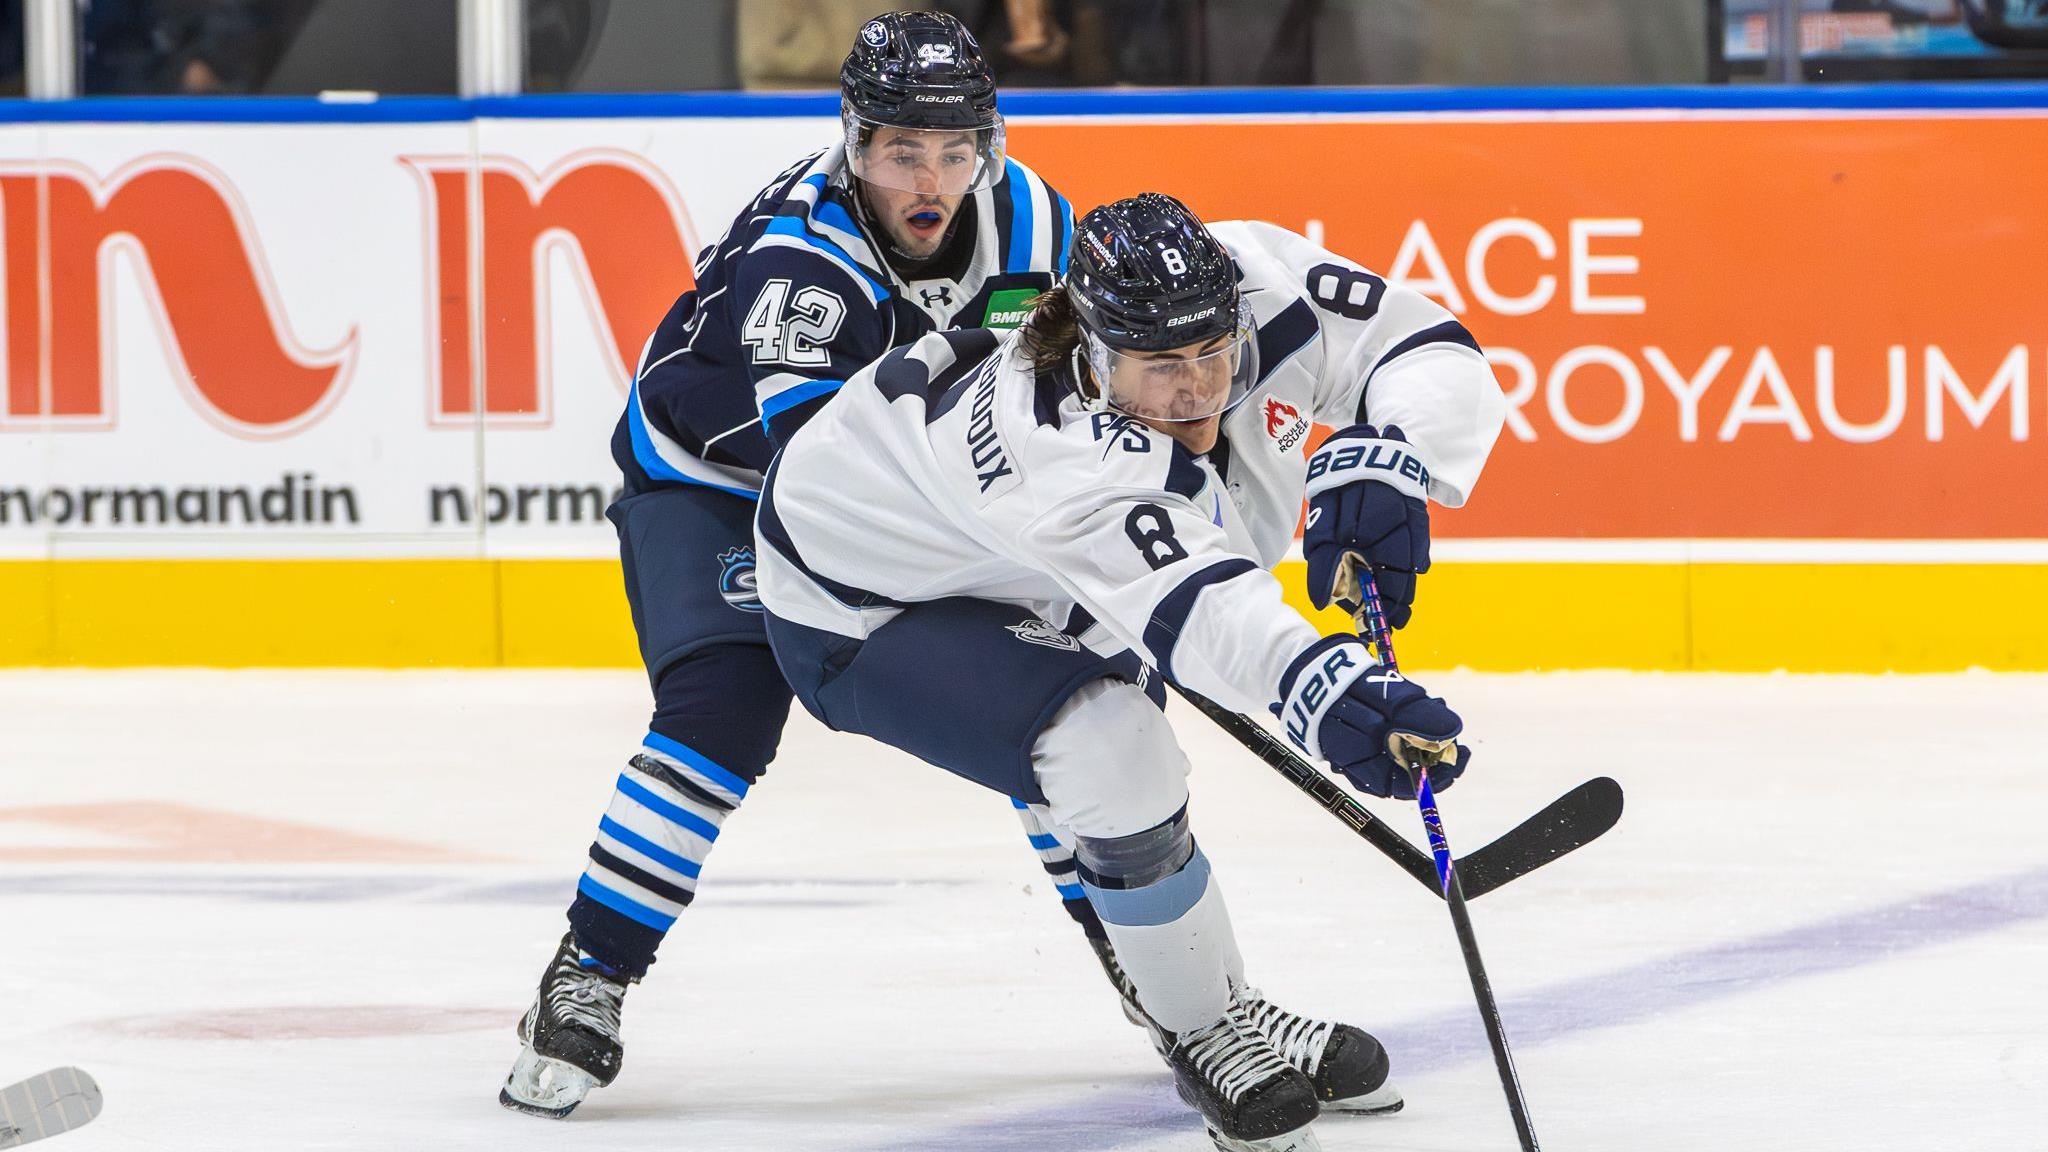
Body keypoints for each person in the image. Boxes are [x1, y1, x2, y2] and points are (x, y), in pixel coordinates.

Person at [754, 193, 1507, 1150]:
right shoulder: (1055, 452)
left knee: (1120, 766)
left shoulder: (1247, 277)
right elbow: (1203, 615)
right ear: (1096, 352)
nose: (1197, 390)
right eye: (1161, 368)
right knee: (1113, 749)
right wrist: (1334, 697)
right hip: (859, 597)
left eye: (1212, 354)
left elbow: (1423, 345)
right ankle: (1204, 1028)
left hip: (1007, 559)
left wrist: (1388, 457)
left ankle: (1222, 1001)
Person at [501, 10, 1100, 1120]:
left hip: (916, 488)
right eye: (899, 151)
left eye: (954, 150)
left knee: (1061, 706)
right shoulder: (798, 256)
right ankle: (587, 975)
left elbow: (1063, 401)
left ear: (990, 145)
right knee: (721, 714)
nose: (930, 180)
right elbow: (820, 483)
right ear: (851, 140)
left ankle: (1157, 966)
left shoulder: (1035, 223)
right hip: (720, 485)